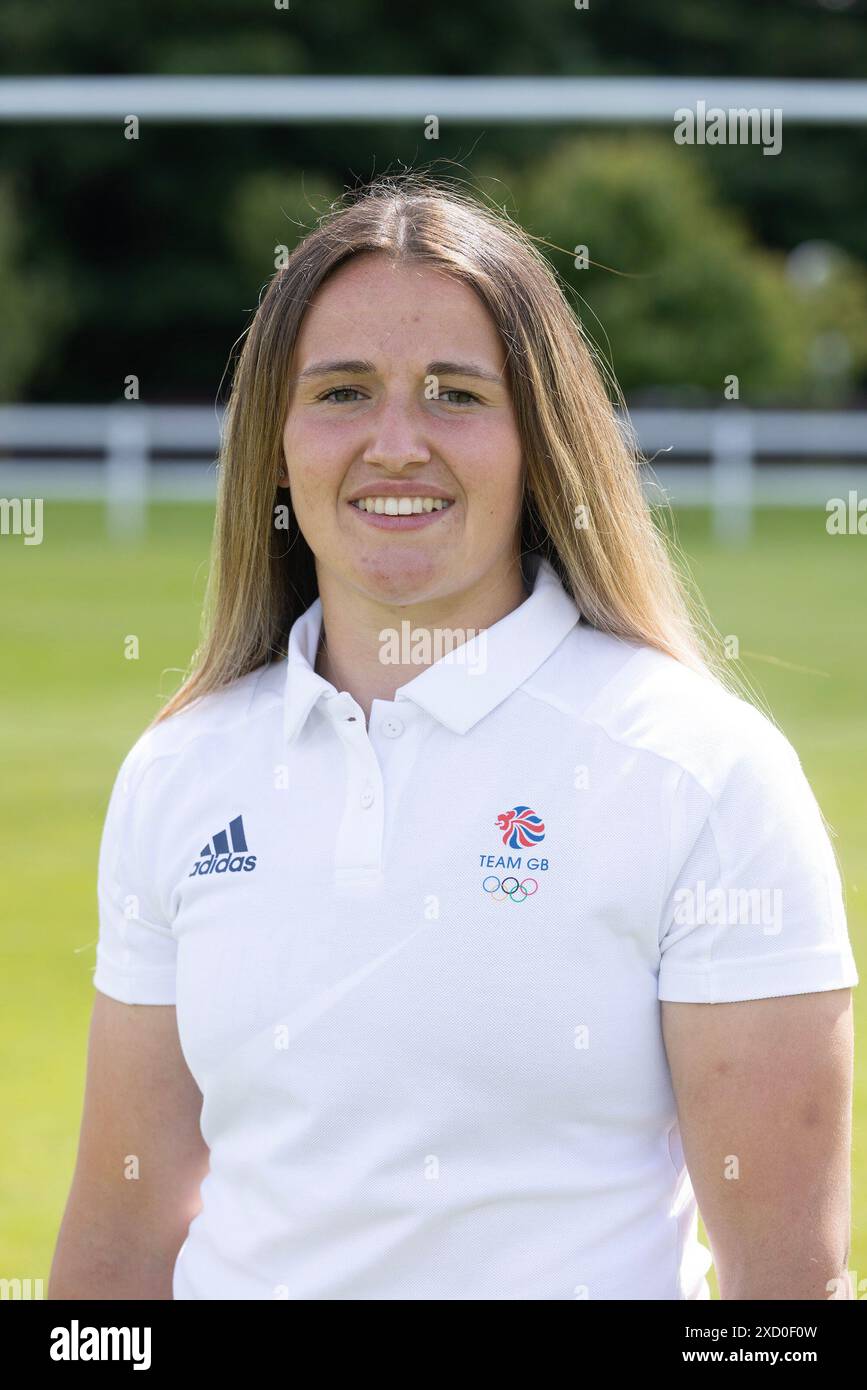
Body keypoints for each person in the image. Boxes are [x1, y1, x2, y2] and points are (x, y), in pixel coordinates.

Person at [49, 175, 859, 1301]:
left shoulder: (700, 775)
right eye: (341, 391)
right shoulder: (181, 770)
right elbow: (119, 1248)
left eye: (455, 395)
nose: (395, 443)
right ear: (276, 445)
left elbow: (787, 1299)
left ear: (540, 439)